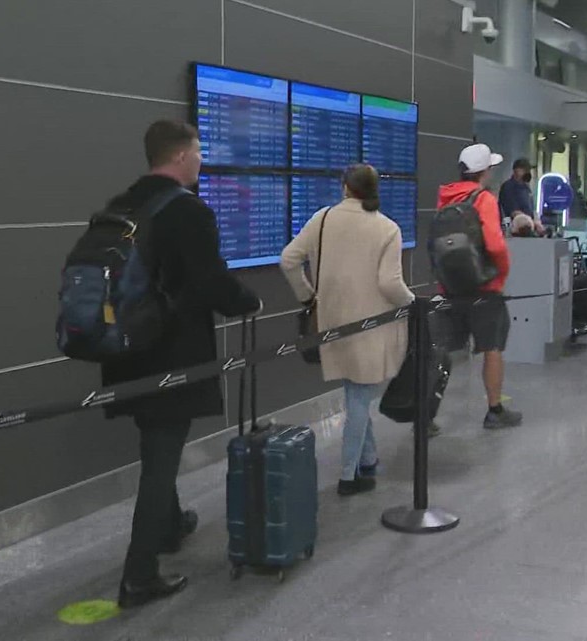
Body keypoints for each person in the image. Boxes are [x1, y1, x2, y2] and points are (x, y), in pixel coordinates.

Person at [102, 120, 261, 608]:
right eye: (197, 152)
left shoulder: (120, 206)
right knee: (161, 456)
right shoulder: (187, 211)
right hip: (170, 354)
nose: (201, 160)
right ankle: (139, 575)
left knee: (155, 442)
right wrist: (247, 302)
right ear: (178, 156)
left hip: (123, 350)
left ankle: (169, 526)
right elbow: (212, 281)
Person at [281, 165, 414, 496]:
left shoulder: (323, 219)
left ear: (345, 187)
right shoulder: (387, 228)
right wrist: (413, 303)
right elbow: (390, 283)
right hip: (372, 327)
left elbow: (289, 259)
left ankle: (367, 459)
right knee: (358, 397)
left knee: (356, 393)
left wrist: (308, 297)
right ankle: (348, 475)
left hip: (333, 324)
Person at [437, 144, 523, 429]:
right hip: (484, 287)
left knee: (441, 352)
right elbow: (495, 245)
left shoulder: (446, 198)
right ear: (485, 171)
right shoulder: (484, 199)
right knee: (492, 347)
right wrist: (500, 274)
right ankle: (495, 410)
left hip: (450, 287)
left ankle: (426, 415)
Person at [498, 157, 535, 222]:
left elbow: (531, 209)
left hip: (528, 224)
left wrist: (536, 220)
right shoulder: (508, 187)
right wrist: (529, 221)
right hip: (514, 225)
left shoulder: (526, 188)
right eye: (525, 170)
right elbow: (513, 212)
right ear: (516, 171)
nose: (528, 172)